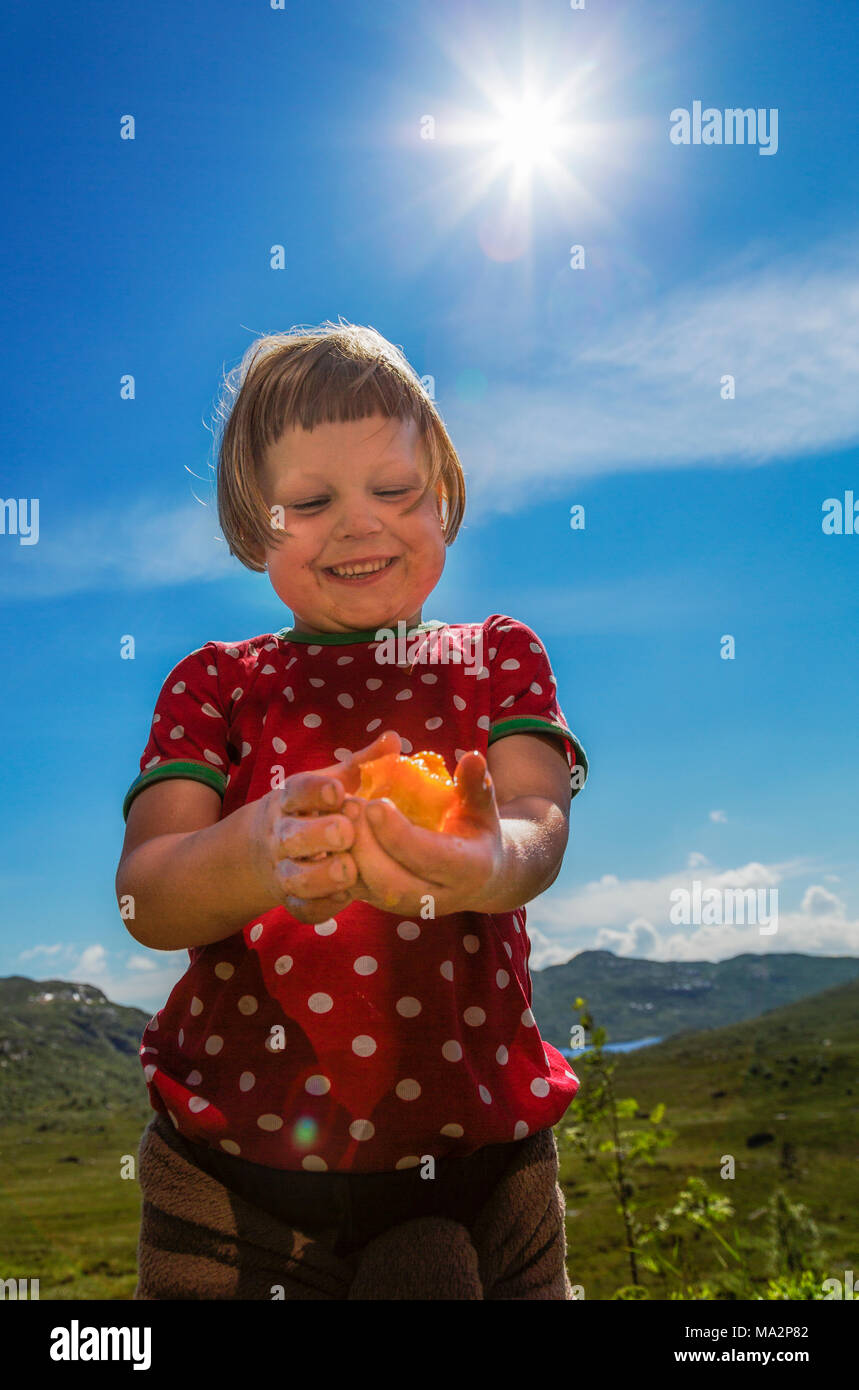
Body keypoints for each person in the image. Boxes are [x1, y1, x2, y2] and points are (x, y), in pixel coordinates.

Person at [116, 321, 589, 1295]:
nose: (359, 522)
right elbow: (146, 897)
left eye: (393, 489)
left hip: (481, 1160)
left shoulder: (496, 656)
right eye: (311, 499)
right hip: (238, 1178)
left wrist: (486, 858)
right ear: (256, 527)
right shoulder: (215, 685)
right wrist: (254, 850)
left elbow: (538, 821)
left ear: (444, 499)